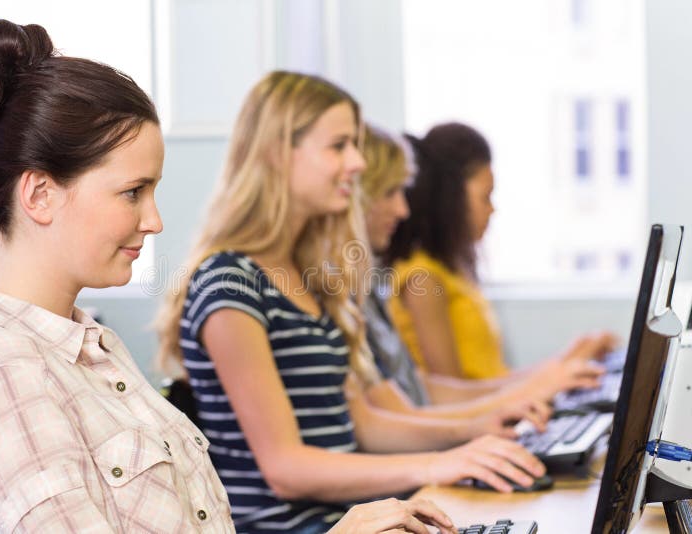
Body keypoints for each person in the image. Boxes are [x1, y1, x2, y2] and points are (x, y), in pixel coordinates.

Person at [0, 19, 457, 534]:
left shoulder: (91, 351)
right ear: (40, 195)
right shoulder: (3, 372)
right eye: (132, 192)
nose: (154, 220)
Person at [159, 71, 546, 534]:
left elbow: (362, 425)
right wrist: (434, 464)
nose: (358, 162)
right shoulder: (230, 283)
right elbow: (285, 468)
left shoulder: (310, 278)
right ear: (279, 153)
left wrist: (474, 433)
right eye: (339, 145)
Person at [359, 123, 614, 413]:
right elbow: (447, 392)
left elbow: (478, 382)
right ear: (452, 199)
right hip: (475, 418)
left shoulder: (454, 272)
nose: (492, 209)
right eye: (485, 197)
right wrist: (552, 373)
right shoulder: (423, 277)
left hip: (489, 411)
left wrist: (560, 369)